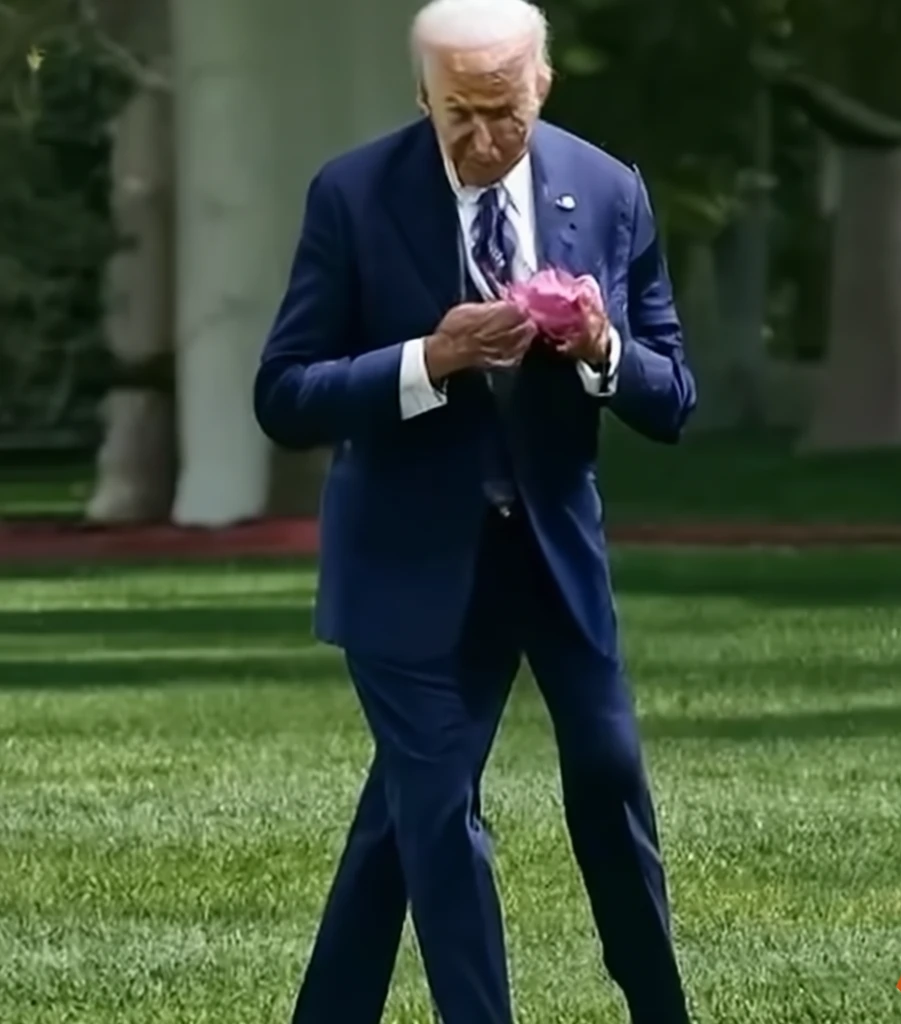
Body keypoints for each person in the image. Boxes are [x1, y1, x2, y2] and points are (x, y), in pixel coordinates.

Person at [252, 0, 698, 1021]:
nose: (484, 136)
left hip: (550, 558)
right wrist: (430, 358)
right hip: (405, 560)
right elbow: (284, 395)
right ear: (423, 96)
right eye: (458, 112)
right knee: (443, 820)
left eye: (503, 109)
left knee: (602, 774)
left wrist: (600, 350)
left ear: (540, 87)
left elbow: (672, 397)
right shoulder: (353, 195)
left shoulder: (609, 190)